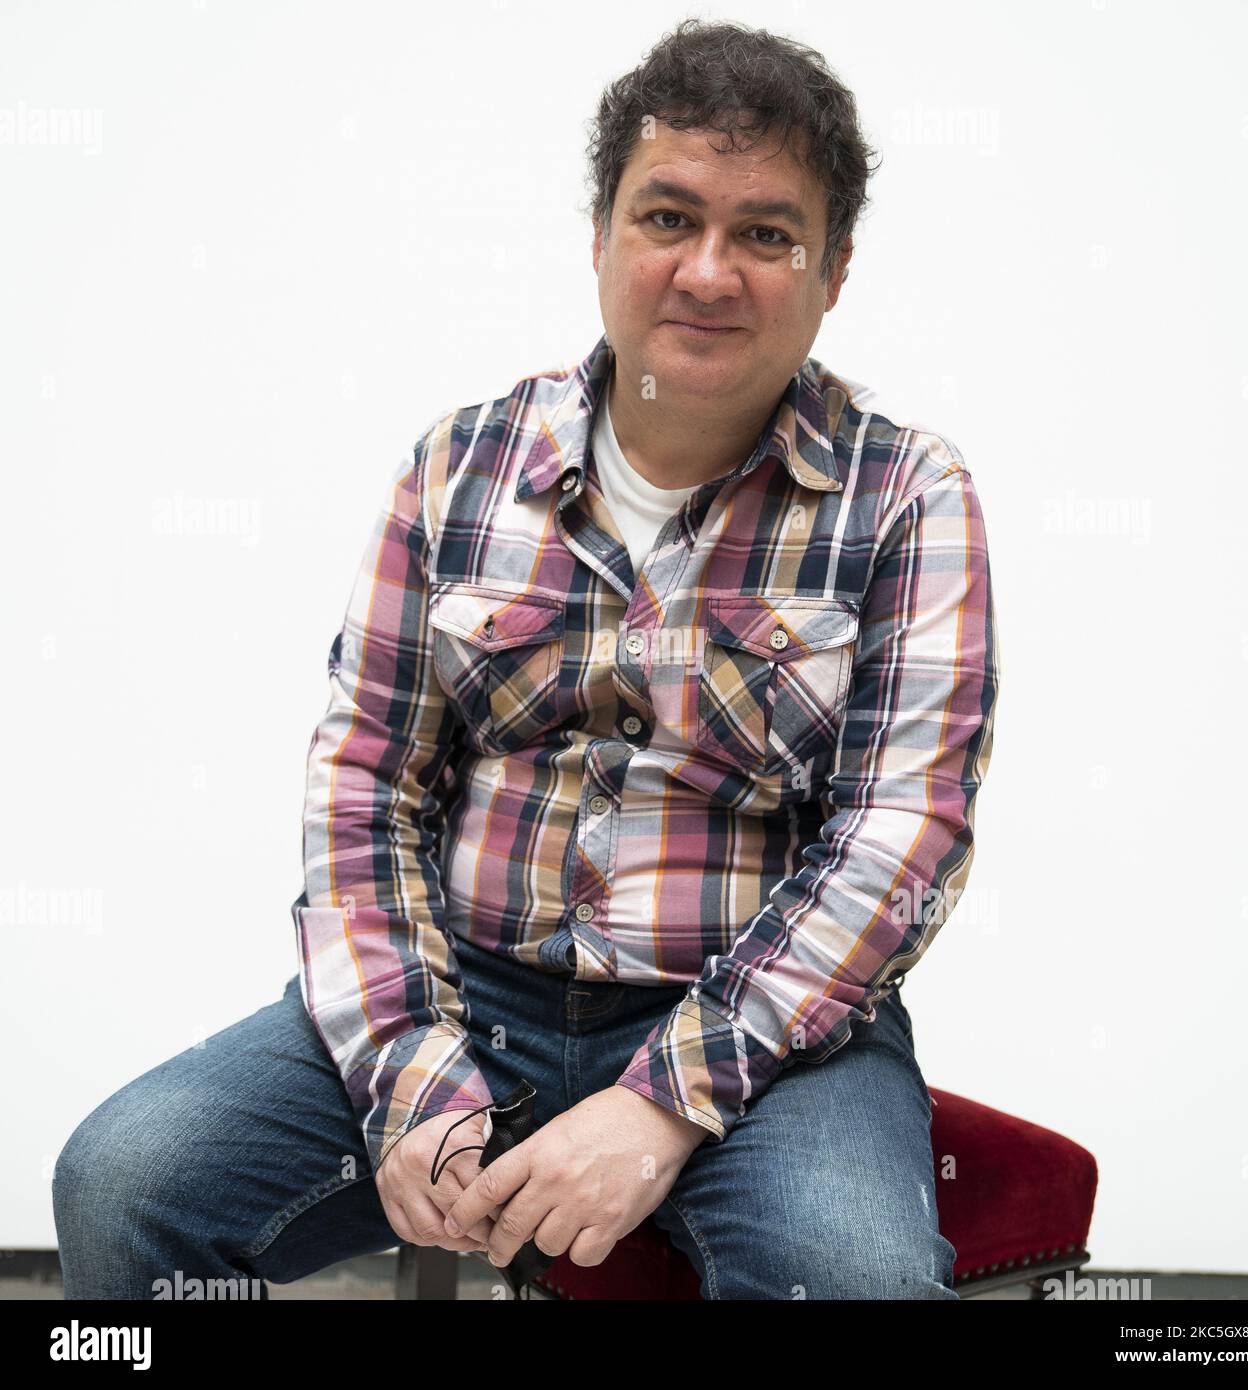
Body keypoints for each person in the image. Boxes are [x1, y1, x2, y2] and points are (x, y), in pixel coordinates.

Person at [53, 17, 999, 1301]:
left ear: (833, 272)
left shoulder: (906, 497)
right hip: (464, 990)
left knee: (858, 1281)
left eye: (766, 235)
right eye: (667, 217)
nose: (708, 273)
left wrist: (665, 1102)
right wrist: (407, 1067)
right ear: (600, 235)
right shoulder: (461, 465)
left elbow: (902, 838)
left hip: (760, 1034)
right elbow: (365, 787)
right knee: (125, 1179)